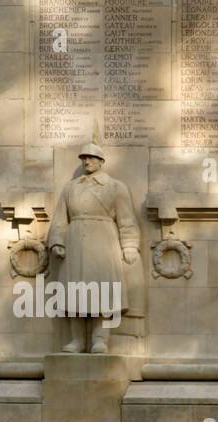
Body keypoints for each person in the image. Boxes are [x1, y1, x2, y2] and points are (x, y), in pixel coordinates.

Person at [46, 143, 140, 354]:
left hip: (103, 240)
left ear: (101, 161)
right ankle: (77, 340)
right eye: (83, 158)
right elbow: (60, 218)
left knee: (102, 292)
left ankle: (100, 339)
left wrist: (130, 245)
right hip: (75, 241)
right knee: (75, 293)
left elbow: (127, 220)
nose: (86, 161)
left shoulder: (116, 187)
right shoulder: (71, 188)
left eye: (91, 157)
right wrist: (57, 241)